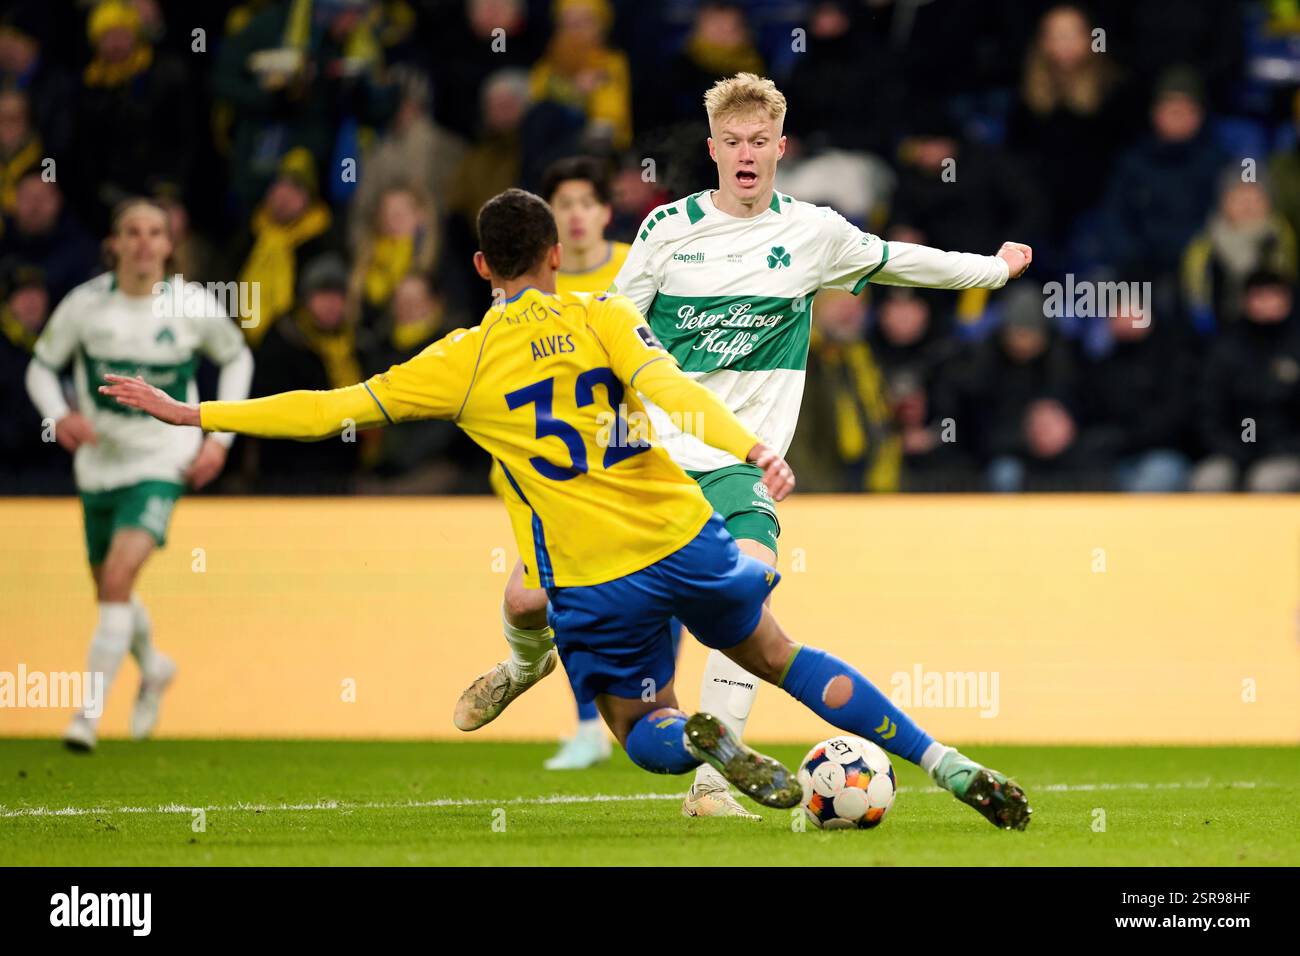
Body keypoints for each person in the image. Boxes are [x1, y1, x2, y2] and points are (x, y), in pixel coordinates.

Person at [100, 187, 1032, 829]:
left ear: (479, 264)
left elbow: (327, 411)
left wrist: (197, 411)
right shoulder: (604, 317)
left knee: (639, 724)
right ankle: (942, 759)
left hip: (592, 579)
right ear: (555, 255)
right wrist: (750, 447)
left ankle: (692, 742)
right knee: (777, 652)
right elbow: (676, 393)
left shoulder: (458, 359)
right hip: (684, 533)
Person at [496, 73, 1034, 818]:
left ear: (779, 149)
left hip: (736, 473)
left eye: (759, 143)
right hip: (651, 469)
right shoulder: (667, 231)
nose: (746, 155)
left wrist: (994, 269)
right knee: (525, 597)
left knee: (751, 583)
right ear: (713, 148)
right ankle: (530, 658)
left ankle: (715, 783)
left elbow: (904, 260)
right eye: (733, 143)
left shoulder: (814, 232)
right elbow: (611, 340)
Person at [23, 198, 254, 751]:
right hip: (100, 463)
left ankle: (86, 716)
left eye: (156, 232)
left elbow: (237, 356)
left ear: (169, 244)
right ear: (116, 243)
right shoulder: (85, 306)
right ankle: (154, 666)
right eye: (134, 232)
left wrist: (219, 438)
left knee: (119, 578)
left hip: (162, 459)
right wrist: (60, 417)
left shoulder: (191, 305)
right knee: (109, 587)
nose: (146, 242)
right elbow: (40, 366)